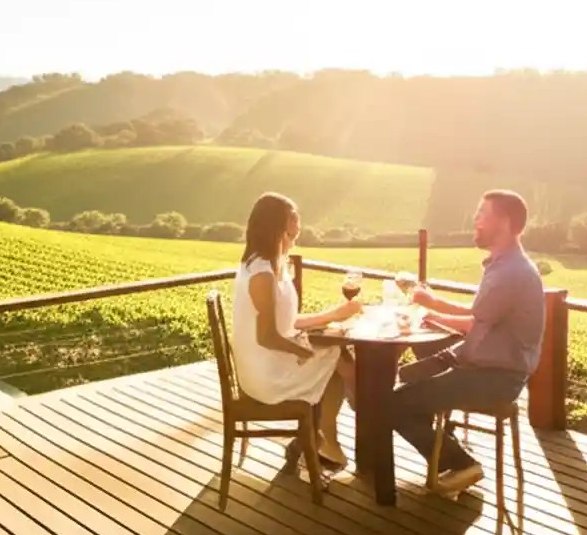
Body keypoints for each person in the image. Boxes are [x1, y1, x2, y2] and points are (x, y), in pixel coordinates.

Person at [393, 189, 546, 494]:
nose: (475, 219)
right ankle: (440, 442)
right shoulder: (505, 266)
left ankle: (461, 463)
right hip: (487, 369)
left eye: (481, 213)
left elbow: (476, 320)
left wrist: (433, 306)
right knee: (412, 379)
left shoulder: (511, 271)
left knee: (393, 404)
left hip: (493, 378)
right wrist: (434, 317)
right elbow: (483, 319)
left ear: (503, 221)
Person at [233, 192, 361, 467]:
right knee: (339, 358)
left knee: (337, 351)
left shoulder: (269, 264)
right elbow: (266, 336)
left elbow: (287, 322)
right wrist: (300, 349)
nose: (292, 242)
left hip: (271, 360)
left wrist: (335, 314)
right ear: (274, 231)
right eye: (289, 235)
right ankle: (336, 429)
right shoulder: (261, 275)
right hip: (265, 376)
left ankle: (318, 438)